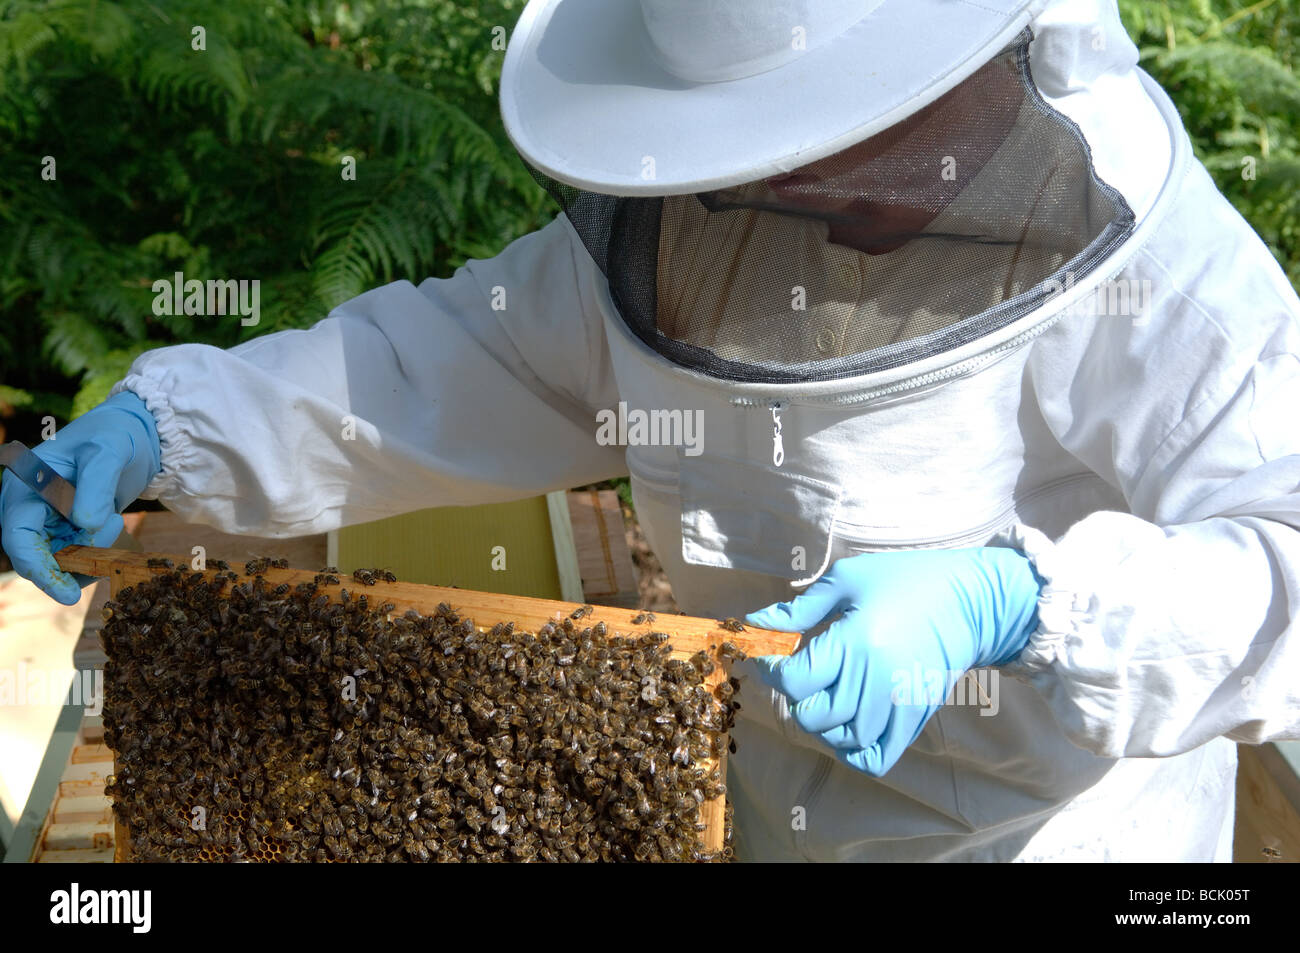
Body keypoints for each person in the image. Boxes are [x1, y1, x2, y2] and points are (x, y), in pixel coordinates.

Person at [4, 0, 1299, 862]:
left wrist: (1027, 598)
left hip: (1052, 839)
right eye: (771, 149)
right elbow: (459, 360)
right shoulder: (699, 216)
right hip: (763, 798)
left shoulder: (1141, 253)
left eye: (846, 134)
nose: (799, 183)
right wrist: (170, 428)